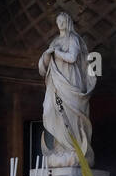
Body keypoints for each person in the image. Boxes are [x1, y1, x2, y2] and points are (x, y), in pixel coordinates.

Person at [38, 11, 95, 166]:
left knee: (72, 115)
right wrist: (46, 55)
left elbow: (72, 58)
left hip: (71, 81)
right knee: (50, 110)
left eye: (63, 21)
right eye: (58, 21)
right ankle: (60, 147)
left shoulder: (73, 39)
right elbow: (44, 66)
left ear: (68, 22)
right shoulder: (55, 41)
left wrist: (56, 52)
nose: (60, 24)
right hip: (55, 83)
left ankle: (74, 147)